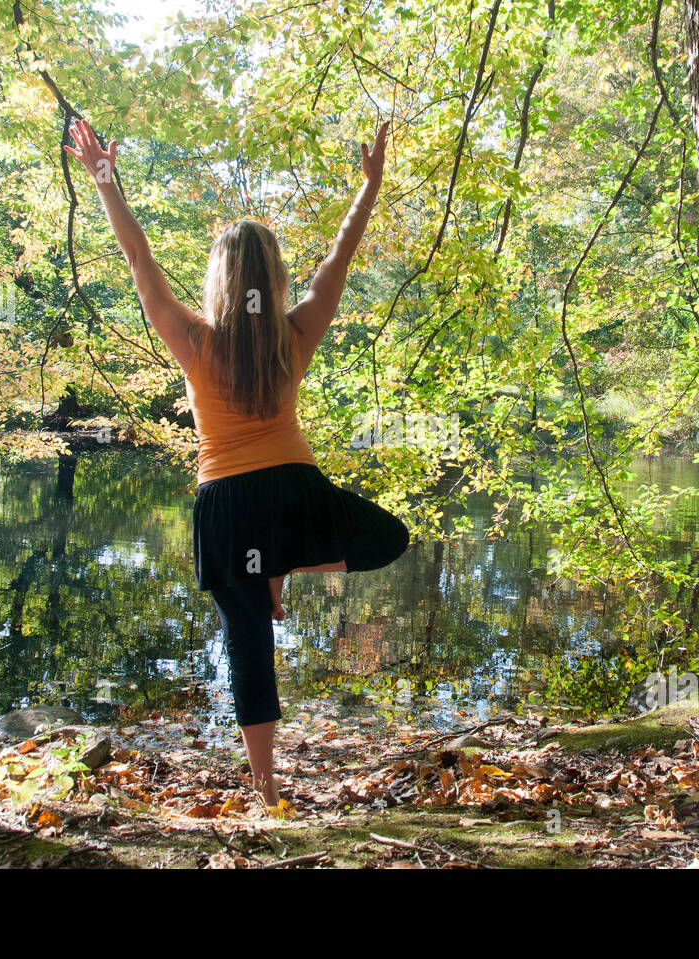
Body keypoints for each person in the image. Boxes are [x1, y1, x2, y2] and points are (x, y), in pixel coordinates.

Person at [66, 118, 410, 806]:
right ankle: (282, 560)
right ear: (275, 277)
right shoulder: (295, 334)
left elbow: (139, 261)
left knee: (248, 639)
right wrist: (367, 189)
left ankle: (266, 789)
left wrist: (105, 178)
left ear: (220, 279)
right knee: (390, 537)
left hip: (224, 506)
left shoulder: (194, 339)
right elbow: (339, 263)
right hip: (292, 493)